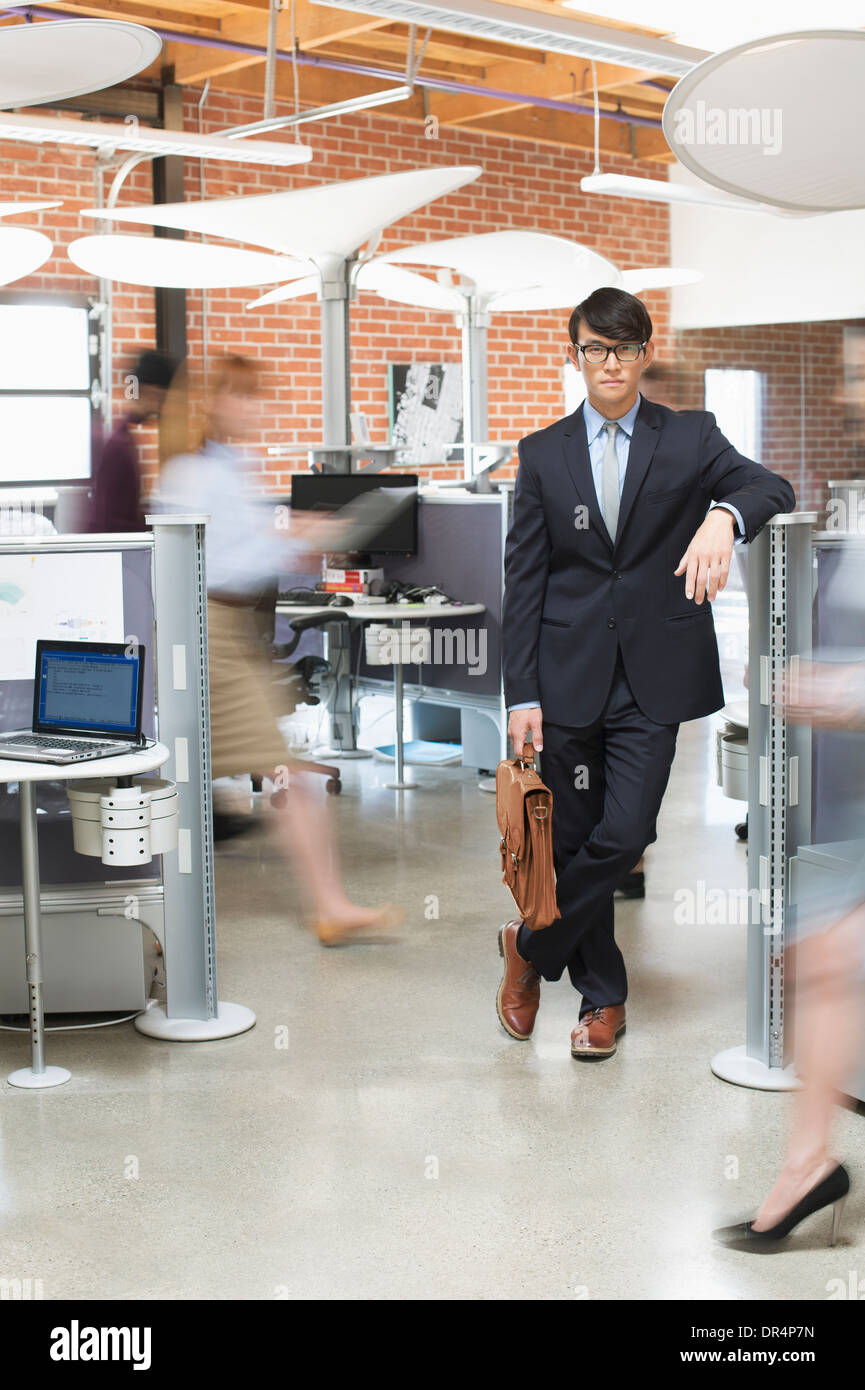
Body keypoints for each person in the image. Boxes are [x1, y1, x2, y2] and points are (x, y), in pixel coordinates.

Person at [498, 287, 796, 1059]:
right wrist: (521, 694)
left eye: (624, 348)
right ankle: (604, 998)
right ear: (575, 356)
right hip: (564, 678)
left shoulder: (690, 436)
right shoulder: (541, 453)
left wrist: (721, 517)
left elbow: (771, 487)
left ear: (644, 354)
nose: (609, 363)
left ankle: (529, 949)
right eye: (594, 348)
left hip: (651, 678)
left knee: (626, 830)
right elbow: (523, 581)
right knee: (570, 842)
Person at [158, 355, 403, 946]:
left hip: (232, 634)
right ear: (215, 400)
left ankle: (326, 903)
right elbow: (214, 564)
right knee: (285, 774)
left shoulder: (230, 464)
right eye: (244, 396)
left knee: (270, 773)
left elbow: (243, 547)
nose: (255, 408)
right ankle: (328, 906)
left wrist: (291, 534)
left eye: (257, 396)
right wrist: (298, 538)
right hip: (210, 631)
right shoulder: (195, 472)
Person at [87, 349, 179, 534]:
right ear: (148, 392)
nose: (159, 407)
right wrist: (162, 528)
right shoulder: (120, 446)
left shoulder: (123, 438)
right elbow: (112, 522)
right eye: (160, 398)